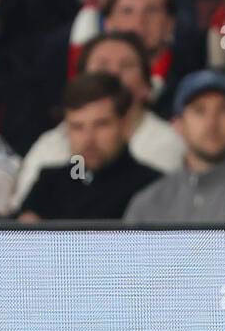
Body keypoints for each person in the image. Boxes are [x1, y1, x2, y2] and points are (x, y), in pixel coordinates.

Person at [17, 72, 163, 220]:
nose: (88, 139)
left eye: (101, 125)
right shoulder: (48, 184)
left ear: (125, 125)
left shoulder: (154, 187)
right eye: (77, 127)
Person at [124, 70, 225, 223]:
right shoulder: (148, 203)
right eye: (199, 111)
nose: (211, 123)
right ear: (178, 124)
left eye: (224, 110)